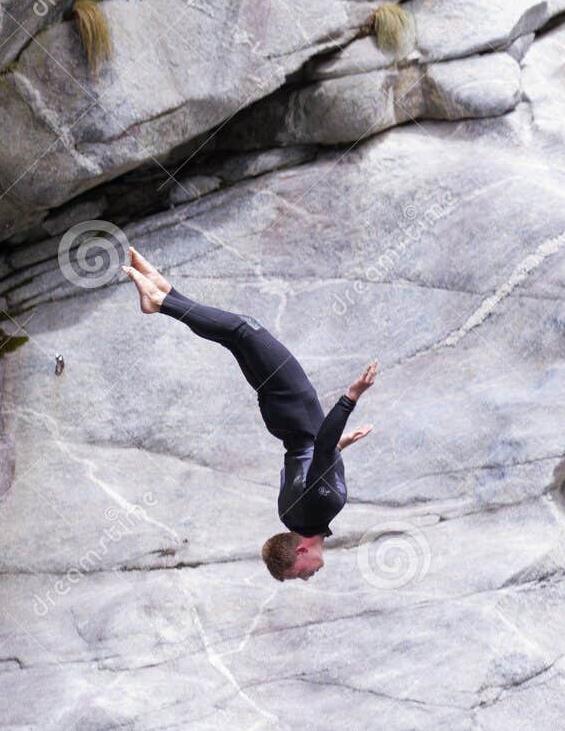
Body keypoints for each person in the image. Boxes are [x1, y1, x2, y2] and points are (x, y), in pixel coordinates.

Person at [123, 248, 377, 580]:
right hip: (281, 420)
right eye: (302, 576)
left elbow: (319, 453)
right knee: (235, 339)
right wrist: (339, 446)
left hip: (296, 409)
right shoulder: (288, 516)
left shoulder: (325, 508)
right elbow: (306, 466)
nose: (306, 577)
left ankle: (160, 302)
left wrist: (351, 397)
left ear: (299, 552)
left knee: (244, 330)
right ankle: (165, 292)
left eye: (299, 574)